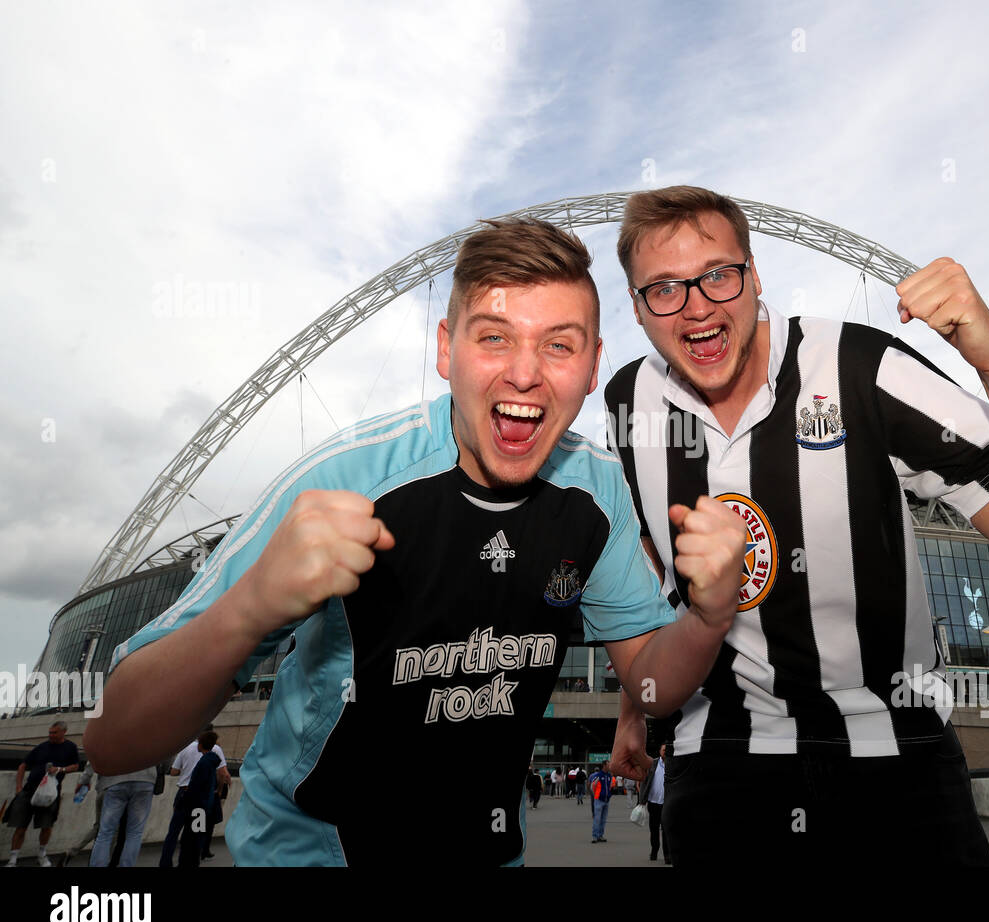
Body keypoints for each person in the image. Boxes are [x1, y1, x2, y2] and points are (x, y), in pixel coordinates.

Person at [85, 218, 745, 867]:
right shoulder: (349, 480)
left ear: (593, 364)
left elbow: (653, 687)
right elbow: (114, 742)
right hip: (314, 850)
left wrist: (710, 615)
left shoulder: (596, 493)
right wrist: (251, 606)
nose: (524, 374)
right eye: (494, 338)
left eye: (558, 345)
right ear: (444, 349)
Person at [604, 185, 989, 867]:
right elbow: (654, 562)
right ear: (637, 307)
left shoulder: (862, 367)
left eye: (718, 274)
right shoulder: (630, 400)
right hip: (722, 762)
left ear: (754, 274)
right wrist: (636, 707)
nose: (697, 306)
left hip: (897, 758)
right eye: (664, 289)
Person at [5, 721, 80, 867]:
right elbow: (23, 765)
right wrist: (19, 787)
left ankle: (41, 854)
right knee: (20, 825)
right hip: (30, 790)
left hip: (50, 792)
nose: (50, 735)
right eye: (50, 732)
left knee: (46, 825)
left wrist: (60, 770)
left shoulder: (70, 747)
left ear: (64, 732)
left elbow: (75, 766)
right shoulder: (42, 747)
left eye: (54, 733)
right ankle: (13, 859)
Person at [158, 727, 230, 868]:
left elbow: (173, 771)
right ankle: (192, 861)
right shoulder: (216, 751)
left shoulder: (185, 748)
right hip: (203, 800)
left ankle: (165, 862)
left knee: (173, 832)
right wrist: (219, 791)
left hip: (185, 794)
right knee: (197, 833)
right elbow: (223, 774)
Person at [88, 762, 157, 868]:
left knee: (105, 832)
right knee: (134, 833)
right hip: (146, 778)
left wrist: (85, 778)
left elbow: (96, 751)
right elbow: (167, 752)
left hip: (116, 777)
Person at [178, 731, 221, 868]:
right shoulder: (211, 762)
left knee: (189, 839)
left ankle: (187, 863)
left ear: (201, 744)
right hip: (203, 808)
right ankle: (193, 862)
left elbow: (196, 786)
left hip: (196, 807)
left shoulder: (204, 763)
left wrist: (185, 801)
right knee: (197, 837)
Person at [637, 743, 670, 863]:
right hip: (653, 803)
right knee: (654, 829)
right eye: (663, 750)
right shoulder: (652, 764)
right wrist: (642, 800)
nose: (665, 752)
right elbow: (645, 782)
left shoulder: (673, 764)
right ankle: (654, 851)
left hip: (667, 803)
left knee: (666, 830)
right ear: (660, 751)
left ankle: (667, 855)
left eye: (667, 750)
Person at [588, 760, 613, 843]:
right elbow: (592, 786)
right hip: (599, 800)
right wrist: (596, 795)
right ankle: (595, 836)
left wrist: (609, 794)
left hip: (606, 800)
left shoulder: (609, 776)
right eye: (608, 765)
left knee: (603, 819)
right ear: (604, 766)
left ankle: (600, 835)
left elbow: (610, 786)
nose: (610, 766)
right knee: (597, 819)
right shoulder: (598, 775)